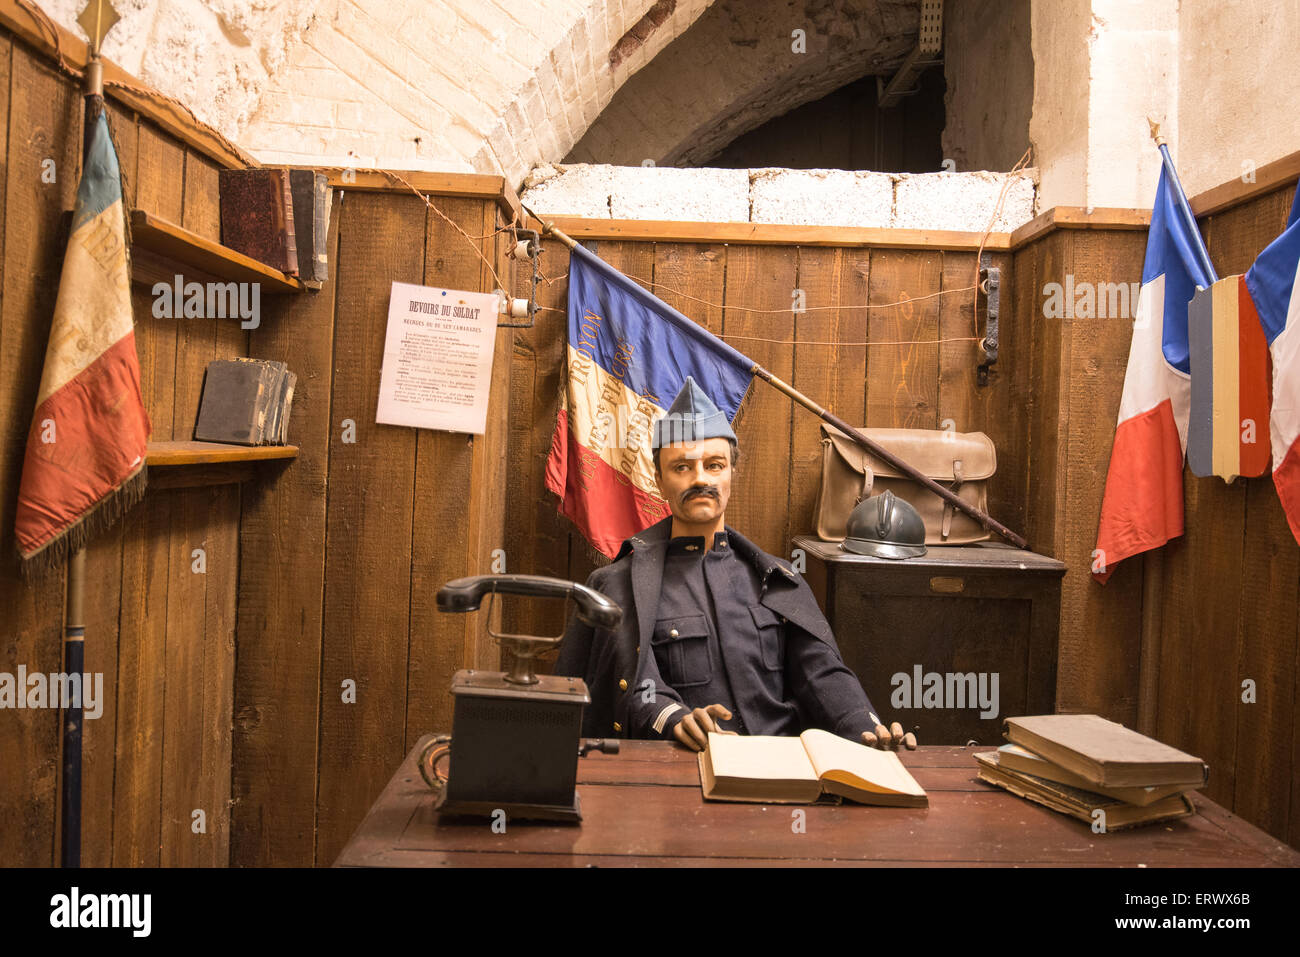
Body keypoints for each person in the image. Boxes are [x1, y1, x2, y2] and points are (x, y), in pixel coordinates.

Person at [554, 377, 917, 753]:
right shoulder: (621, 585)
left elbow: (821, 673)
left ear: (731, 474)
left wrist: (865, 728)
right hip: (680, 777)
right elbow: (633, 679)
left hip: (783, 772)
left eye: (714, 465)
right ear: (659, 480)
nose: (700, 479)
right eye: (682, 468)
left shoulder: (778, 581)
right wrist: (675, 718)